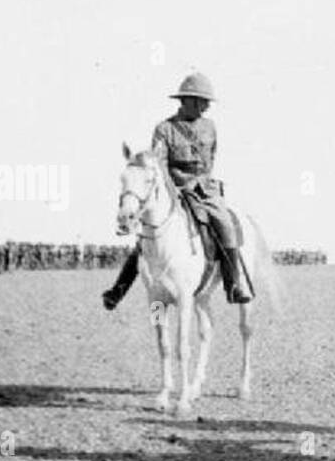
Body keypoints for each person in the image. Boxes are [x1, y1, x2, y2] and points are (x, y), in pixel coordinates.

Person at [103, 73, 252, 309]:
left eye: (207, 102)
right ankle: (118, 289)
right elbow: (158, 165)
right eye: (202, 101)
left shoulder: (210, 127)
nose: (206, 107)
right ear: (188, 101)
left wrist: (199, 182)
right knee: (145, 238)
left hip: (204, 190)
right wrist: (179, 184)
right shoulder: (164, 129)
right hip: (174, 189)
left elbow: (210, 160)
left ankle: (233, 284)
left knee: (224, 222)